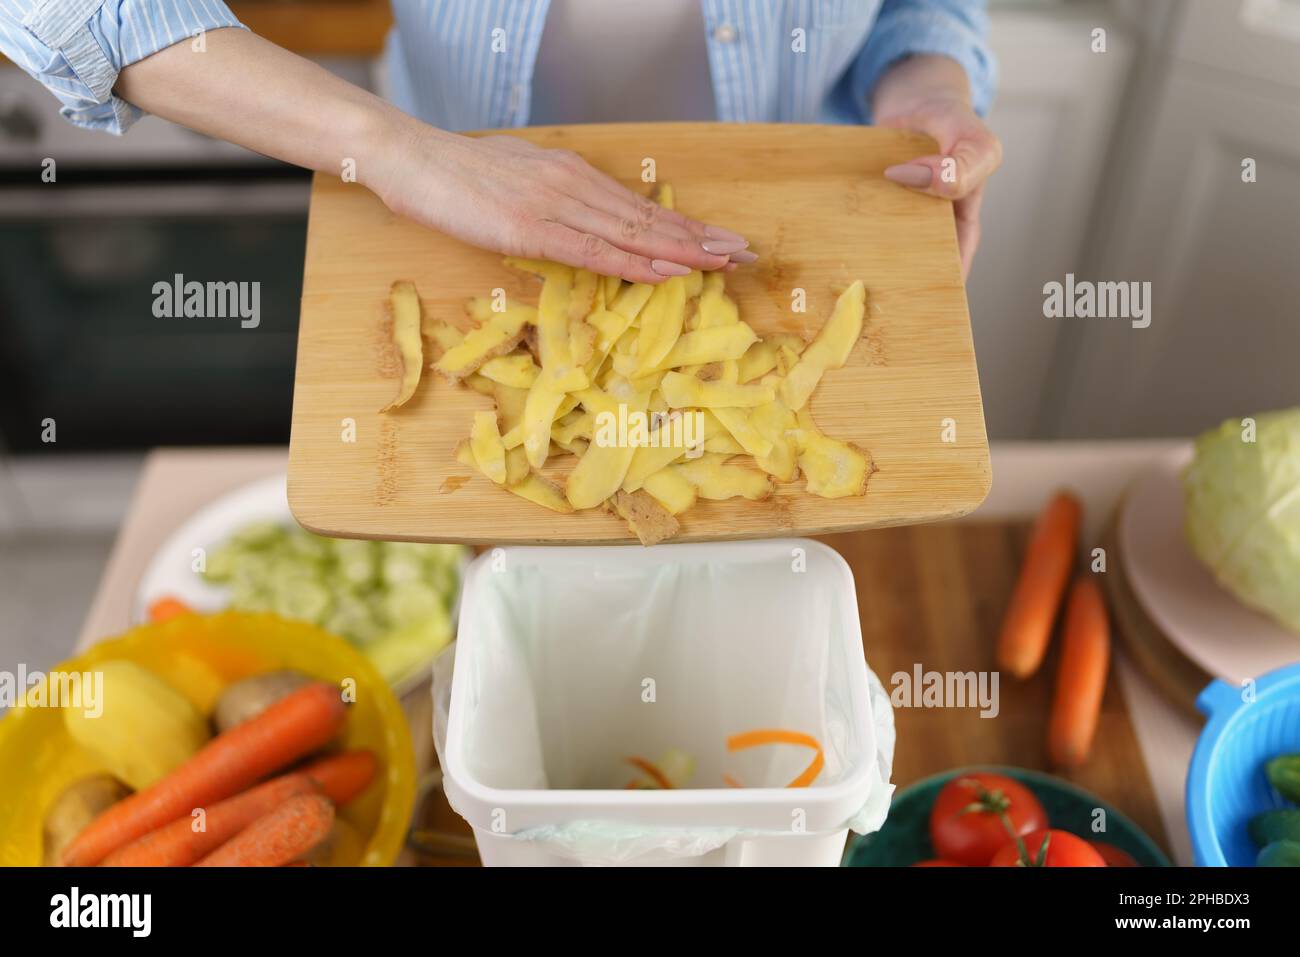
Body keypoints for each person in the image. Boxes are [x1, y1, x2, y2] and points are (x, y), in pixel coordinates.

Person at [0, 0, 1000, 279]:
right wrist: (400, 152)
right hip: (457, 234)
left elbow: (923, 5)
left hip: (795, 249)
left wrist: (926, 80)